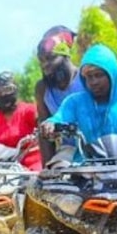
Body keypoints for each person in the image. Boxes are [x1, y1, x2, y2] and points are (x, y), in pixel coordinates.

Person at [33, 26, 85, 162]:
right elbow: (43, 132)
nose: (45, 66)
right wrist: (47, 171)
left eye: (50, 58)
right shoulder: (42, 89)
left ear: (65, 55)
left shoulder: (86, 79)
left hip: (96, 146)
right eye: (42, 61)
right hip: (68, 153)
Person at [0, 71, 42, 170]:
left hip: (30, 162)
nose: (2, 95)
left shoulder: (29, 110)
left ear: (16, 89)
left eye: (7, 90)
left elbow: (45, 129)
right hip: (1, 164)